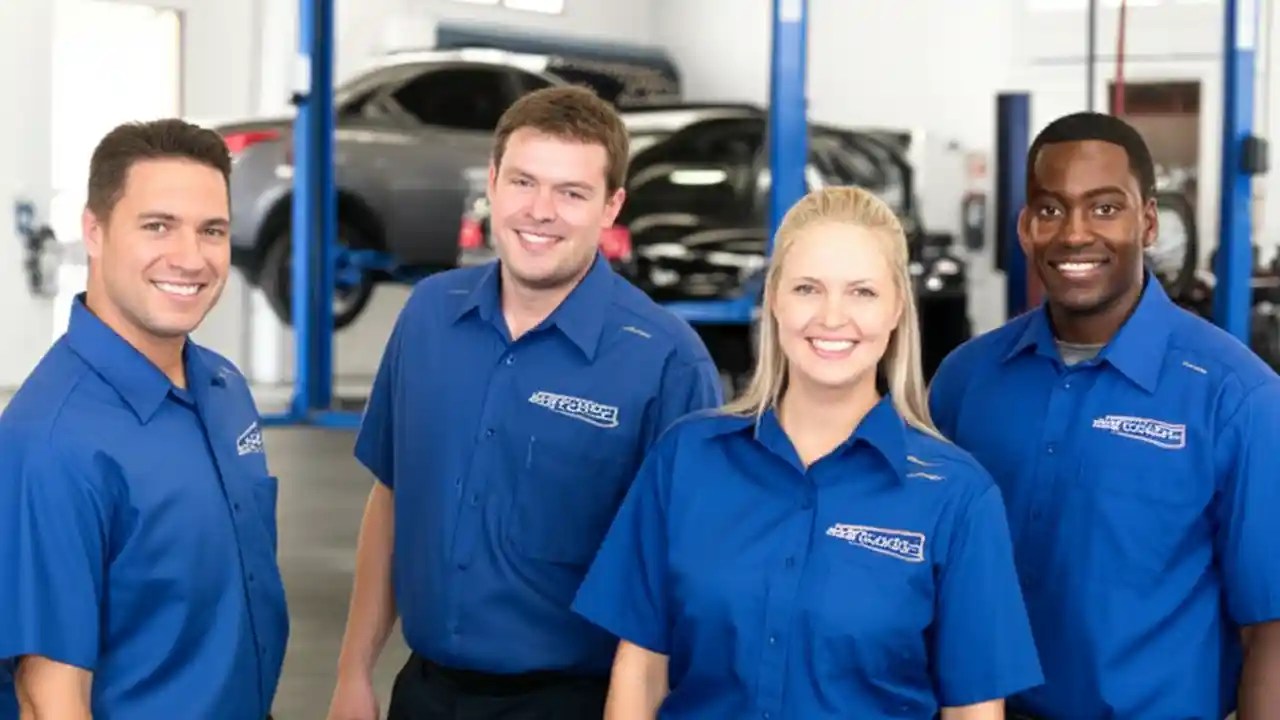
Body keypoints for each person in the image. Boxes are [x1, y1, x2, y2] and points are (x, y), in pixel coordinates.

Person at [325, 85, 724, 720]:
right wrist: (353, 672)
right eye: (523, 182)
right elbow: (392, 499)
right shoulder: (429, 316)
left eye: (571, 192)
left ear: (611, 206)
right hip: (423, 695)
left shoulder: (665, 360)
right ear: (493, 181)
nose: (540, 211)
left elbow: (686, 580)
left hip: (575, 702)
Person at [571, 186, 1044, 720]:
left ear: (896, 310)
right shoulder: (686, 460)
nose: (832, 317)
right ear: (774, 299)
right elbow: (641, 671)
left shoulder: (958, 496)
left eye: (862, 292)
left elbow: (972, 712)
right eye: (807, 288)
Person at [929, 111, 1280, 719]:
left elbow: (1270, 631)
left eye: (1105, 208)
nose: (1074, 234)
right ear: (1024, 227)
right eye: (1051, 209)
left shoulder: (1236, 398)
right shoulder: (966, 381)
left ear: (1147, 222)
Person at [0, 119, 289, 719]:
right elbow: (48, 700)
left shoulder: (224, 386)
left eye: (212, 231)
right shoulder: (51, 442)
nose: (190, 258)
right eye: (158, 226)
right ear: (95, 231)